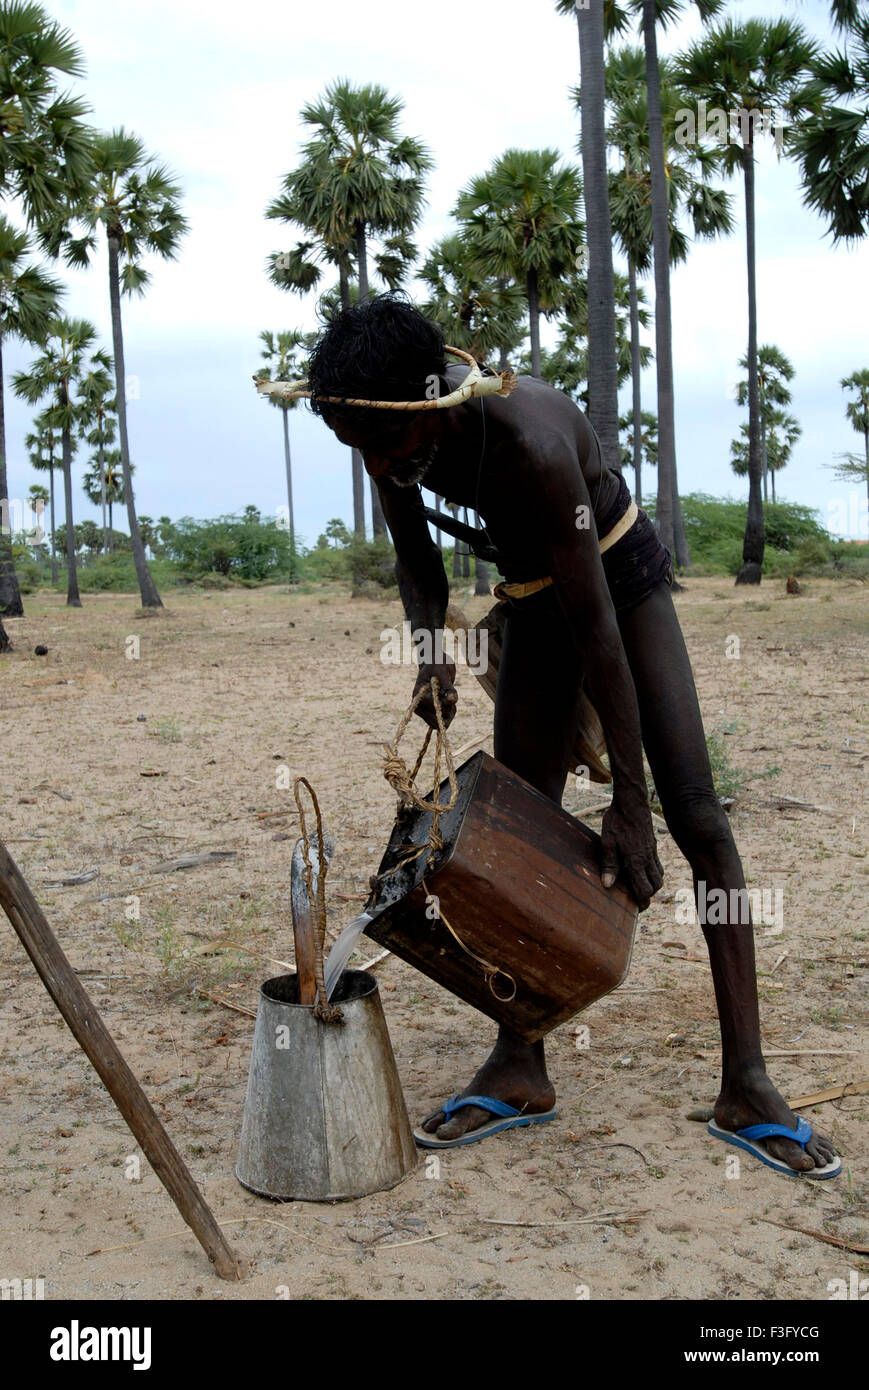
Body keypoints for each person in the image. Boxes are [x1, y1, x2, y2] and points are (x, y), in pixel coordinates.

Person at [304, 294, 839, 1177]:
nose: (378, 464)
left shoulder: (531, 446)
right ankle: (520, 1064)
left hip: (615, 581)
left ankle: (746, 1079)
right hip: (529, 601)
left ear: (431, 398)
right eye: (360, 448)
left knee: (697, 817)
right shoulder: (383, 434)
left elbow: (600, 632)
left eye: (385, 445)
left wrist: (631, 802)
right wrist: (432, 660)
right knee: (510, 833)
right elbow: (419, 565)